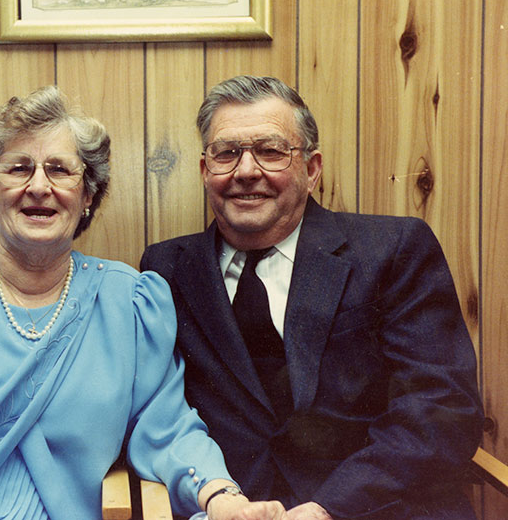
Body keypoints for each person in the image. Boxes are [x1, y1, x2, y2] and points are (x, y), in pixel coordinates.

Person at [0, 86, 287, 520]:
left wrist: (223, 497)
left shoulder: (128, 302)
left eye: (59, 169)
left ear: (87, 196)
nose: (38, 186)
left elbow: (166, 429)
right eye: (17, 168)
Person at [140, 76, 484, 520]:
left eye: (270, 150)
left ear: (312, 169)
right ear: (206, 171)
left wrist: (329, 507)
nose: (246, 171)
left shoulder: (393, 249)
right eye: (226, 154)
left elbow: (441, 409)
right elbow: (159, 415)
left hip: (378, 507)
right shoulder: (166, 269)